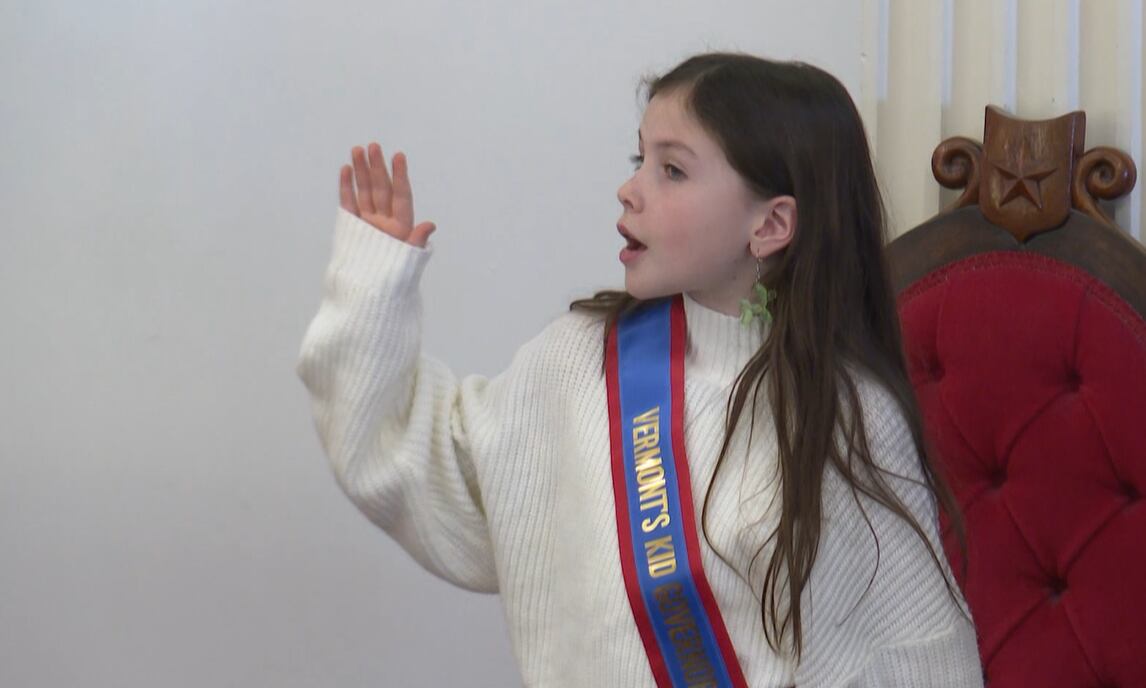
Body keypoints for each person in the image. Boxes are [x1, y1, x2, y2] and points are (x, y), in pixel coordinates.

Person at [295, 51, 984, 687]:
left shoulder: (846, 413)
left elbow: (916, 655)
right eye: (639, 159)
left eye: (672, 170)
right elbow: (421, 469)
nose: (630, 189)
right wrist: (372, 295)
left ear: (771, 225)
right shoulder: (577, 364)